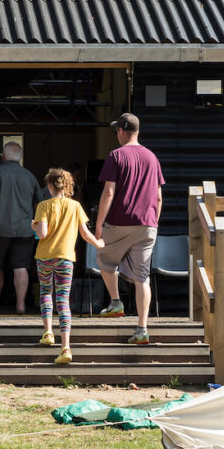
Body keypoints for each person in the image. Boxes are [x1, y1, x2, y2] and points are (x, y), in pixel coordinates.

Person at [94, 112, 164, 346]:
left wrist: (99, 225)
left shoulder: (115, 156)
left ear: (122, 131)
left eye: (117, 130)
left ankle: (115, 302)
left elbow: (109, 192)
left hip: (120, 221)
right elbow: (159, 197)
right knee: (142, 277)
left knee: (104, 257)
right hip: (148, 224)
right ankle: (142, 329)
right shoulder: (152, 158)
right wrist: (153, 223)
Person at [32, 167, 101, 366]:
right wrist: (99, 244)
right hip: (65, 258)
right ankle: (66, 347)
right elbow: (86, 235)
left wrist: (34, 227)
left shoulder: (43, 206)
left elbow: (42, 234)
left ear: (49, 186)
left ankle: (47, 332)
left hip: (44, 257)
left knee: (46, 292)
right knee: (63, 299)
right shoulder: (75, 206)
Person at [0, 142, 40, 314]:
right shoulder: (29, 176)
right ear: (19, 158)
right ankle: (20, 305)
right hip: (25, 230)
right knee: (21, 266)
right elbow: (39, 202)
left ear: (3, 156)